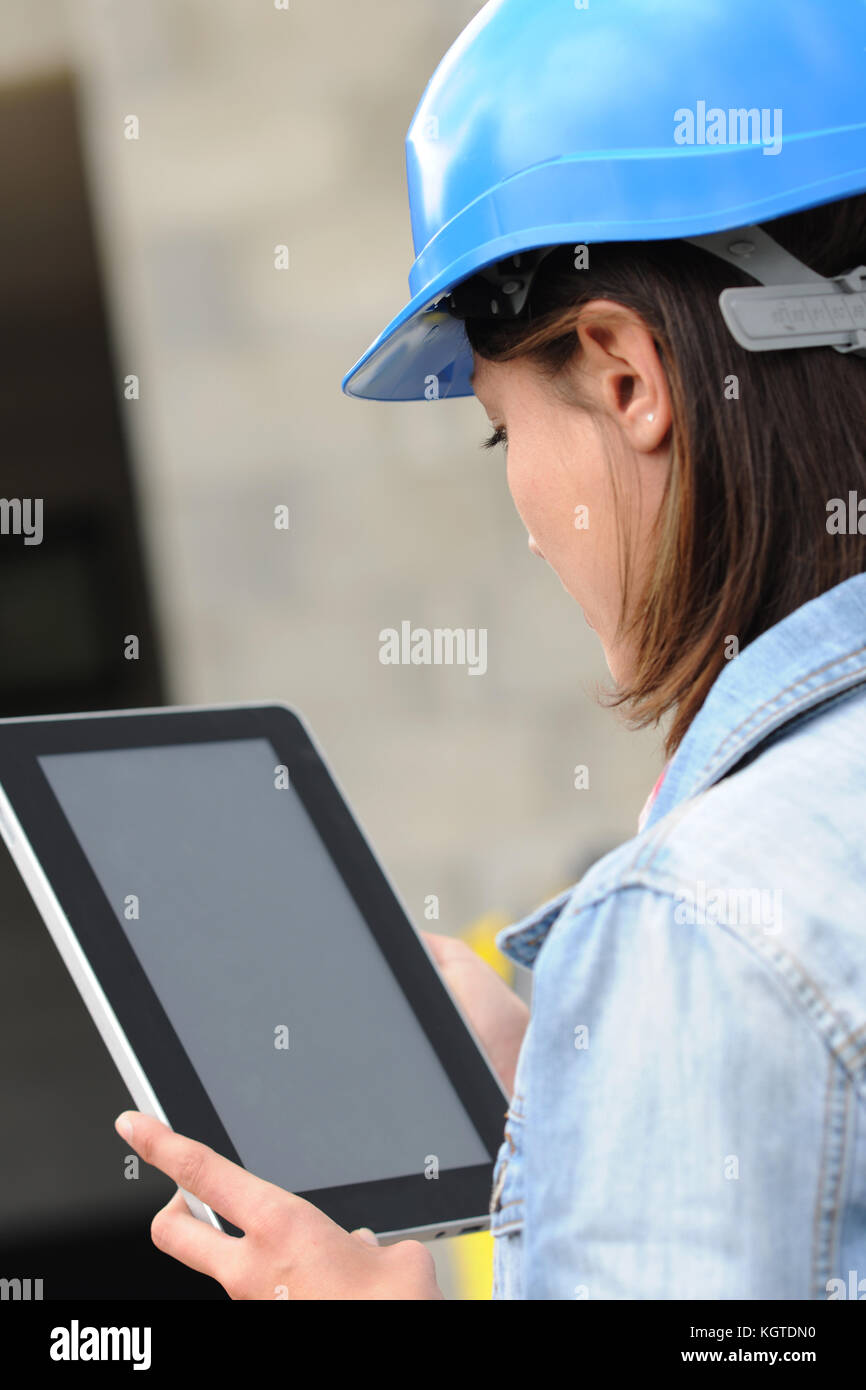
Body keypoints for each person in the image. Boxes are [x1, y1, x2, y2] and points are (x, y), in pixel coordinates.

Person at [117, 0, 866, 1298]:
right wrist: (583, 1076)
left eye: (497, 431)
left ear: (626, 374)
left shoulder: (703, 925)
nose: (524, 521)